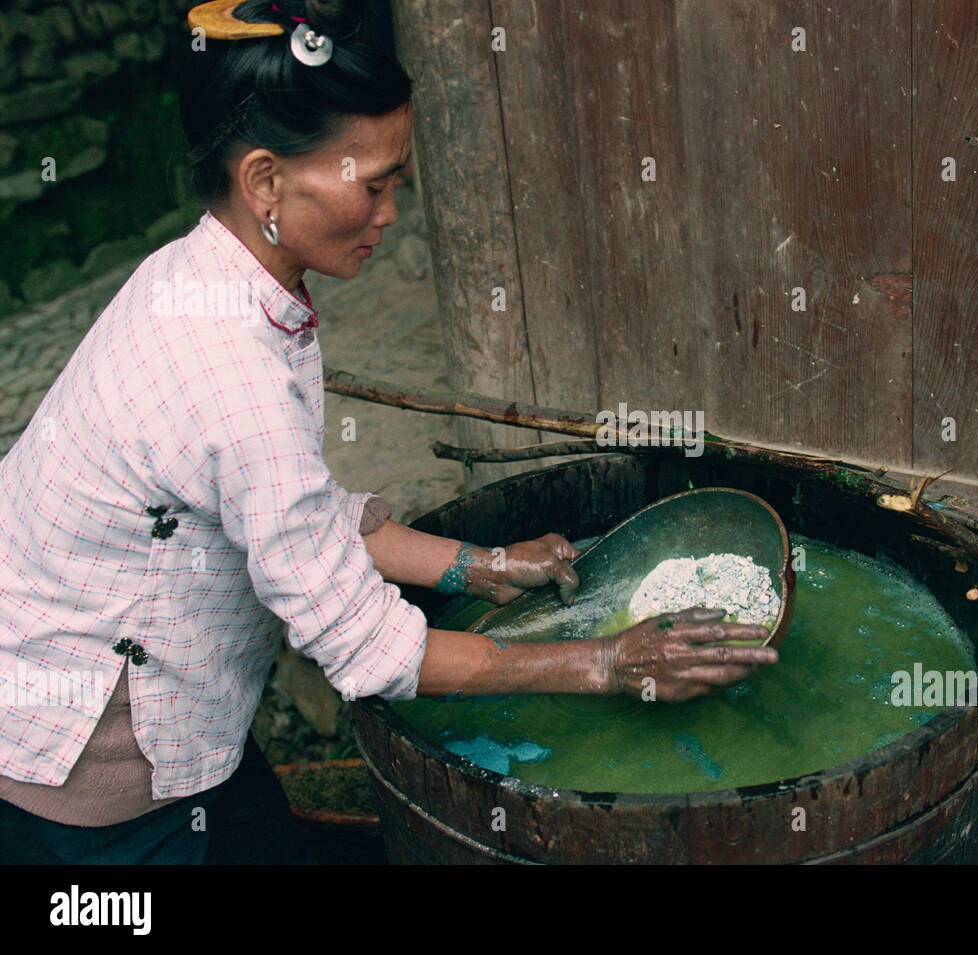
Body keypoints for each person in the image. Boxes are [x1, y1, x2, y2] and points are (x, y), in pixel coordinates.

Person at [0, 0, 777, 864]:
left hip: (173, 730)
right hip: (90, 776)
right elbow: (365, 646)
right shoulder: (226, 365)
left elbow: (296, 512)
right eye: (373, 183)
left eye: (397, 182)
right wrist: (609, 663)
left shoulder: (209, 274)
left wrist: (483, 567)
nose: (392, 212)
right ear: (265, 181)